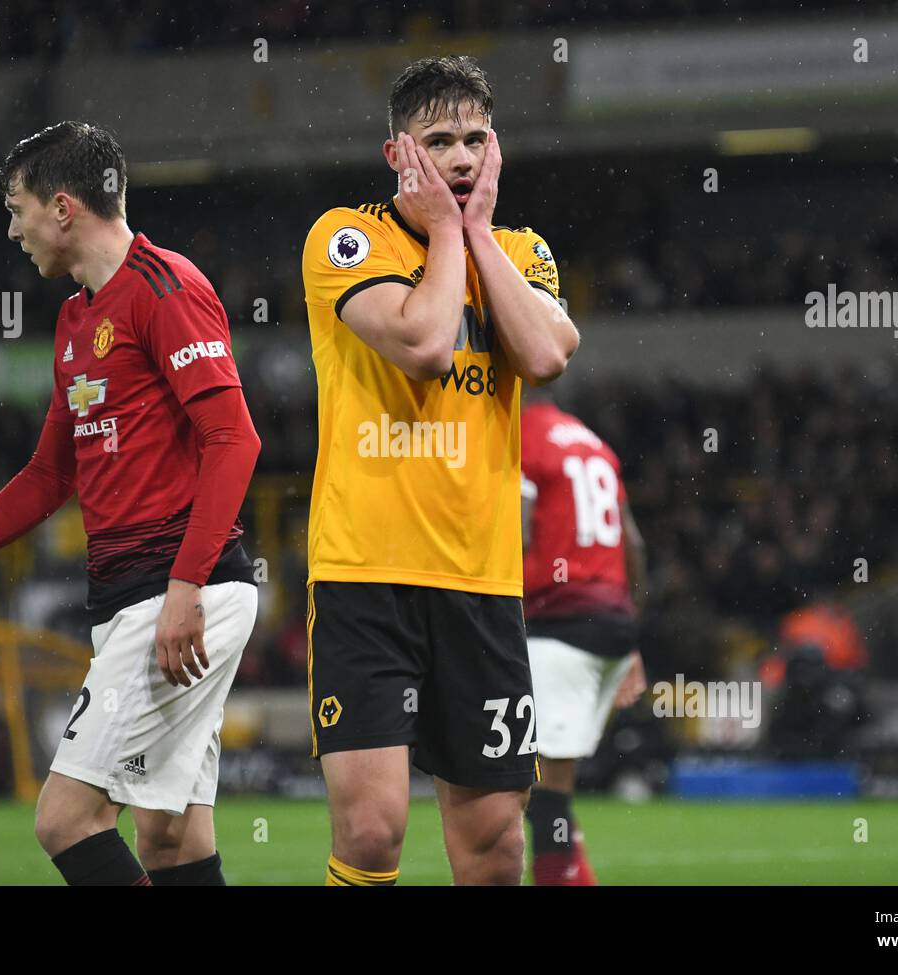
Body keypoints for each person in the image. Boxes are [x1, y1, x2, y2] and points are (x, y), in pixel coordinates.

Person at [0, 121, 261, 886]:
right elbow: (50, 477)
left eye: (18, 207)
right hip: (138, 593)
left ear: (63, 208)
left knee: (64, 817)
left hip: (180, 588)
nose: (13, 227)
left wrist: (185, 588)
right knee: (170, 837)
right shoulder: (75, 320)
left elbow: (235, 440)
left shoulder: (167, 288)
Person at [300, 56, 580, 885]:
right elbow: (424, 346)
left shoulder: (524, 252)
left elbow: (543, 354)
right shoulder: (345, 238)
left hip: (482, 582)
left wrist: (477, 233)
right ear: (397, 156)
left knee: (496, 844)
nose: (459, 159)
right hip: (364, 576)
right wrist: (450, 234)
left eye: (474, 140)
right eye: (436, 142)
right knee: (373, 831)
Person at [520, 393, 646, 885]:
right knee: (541, 790)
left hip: (559, 631)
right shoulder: (595, 445)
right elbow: (633, 543)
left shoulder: (523, 436)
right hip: (609, 626)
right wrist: (632, 638)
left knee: (540, 792)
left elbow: (519, 531)